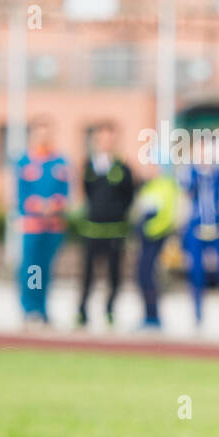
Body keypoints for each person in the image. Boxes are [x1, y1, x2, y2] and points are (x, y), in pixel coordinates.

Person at [75, 122, 136, 328]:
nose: (106, 142)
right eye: (102, 138)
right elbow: (87, 192)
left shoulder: (123, 168)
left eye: (110, 138)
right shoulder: (89, 166)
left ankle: (109, 310)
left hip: (115, 231)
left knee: (114, 275)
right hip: (93, 230)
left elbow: (129, 196)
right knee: (87, 274)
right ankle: (82, 311)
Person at [180, 137, 219, 328]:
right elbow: (186, 186)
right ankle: (198, 318)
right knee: (196, 274)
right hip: (196, 228)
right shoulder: (190, 172)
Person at [15, 118, 70, 328]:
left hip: (53, 227)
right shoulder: (24, 162)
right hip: (32, 227)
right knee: (32, 269)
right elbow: (21, 195)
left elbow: (65, 193)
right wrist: (39, 207)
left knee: (46, 269)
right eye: (40, 133)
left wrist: (54, 206)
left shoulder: (60, 162)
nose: (43, 137)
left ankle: (44, 309)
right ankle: (30, 309)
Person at [129, 156, 178, 330]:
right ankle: (149, 314)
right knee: (142, 276)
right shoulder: (149, 186)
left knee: (148, 275)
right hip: (146, 239)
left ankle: (153, 316)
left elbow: (166, 217)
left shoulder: (165, 186)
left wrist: (149, 231)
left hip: (154, 239)